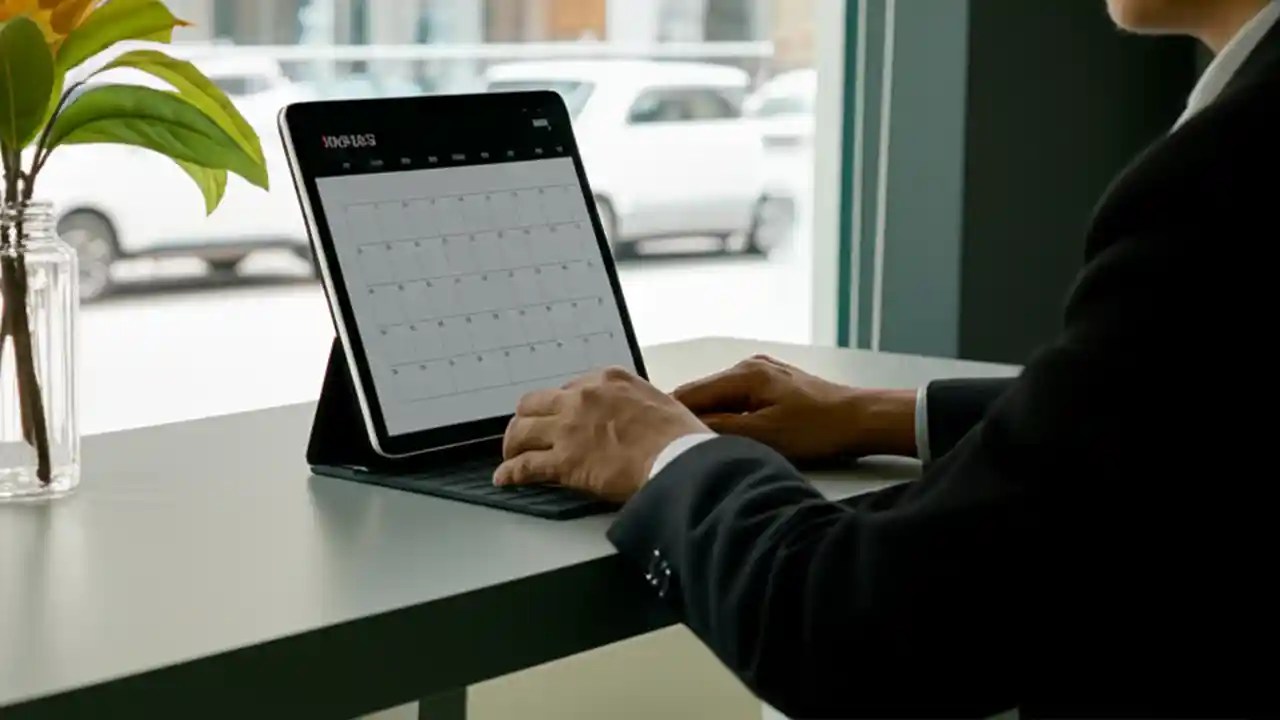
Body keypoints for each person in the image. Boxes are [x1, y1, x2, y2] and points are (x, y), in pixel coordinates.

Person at [495, 0, 1278, 716]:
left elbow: (867, 634)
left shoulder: (1222, 178)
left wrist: (666, 456)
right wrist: (882, 416)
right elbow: (1174, 405)